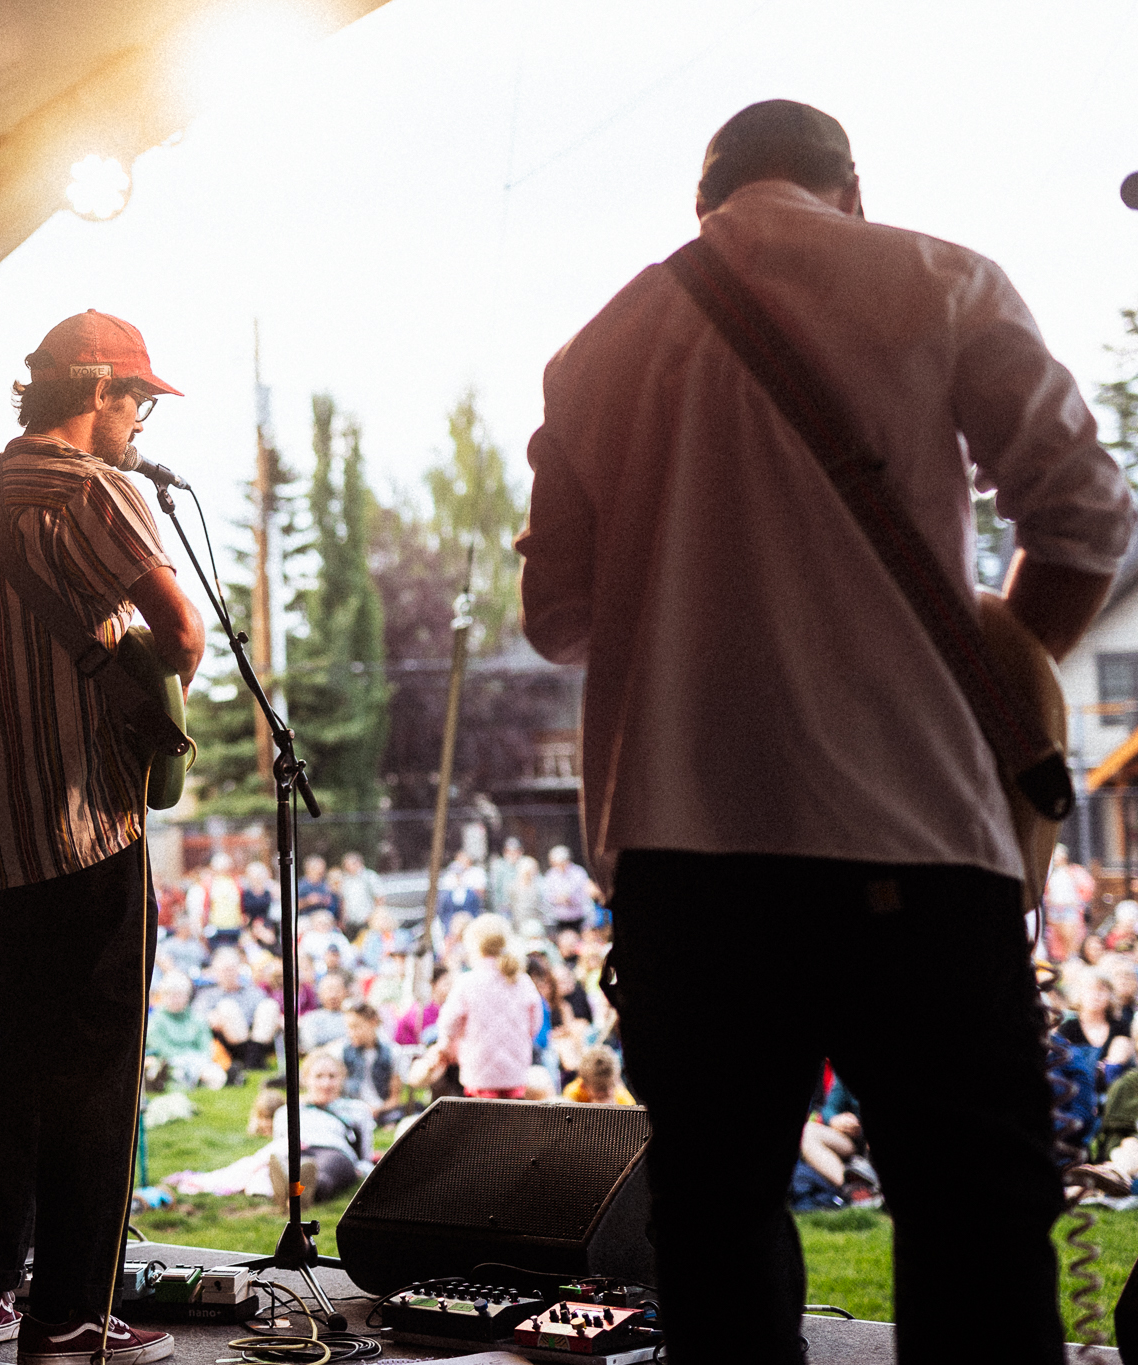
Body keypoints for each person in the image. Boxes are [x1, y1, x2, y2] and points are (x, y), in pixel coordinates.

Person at [517, 100, 1134, 1364]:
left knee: (717, 1228)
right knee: (975, 1224)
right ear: (848, 188)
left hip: (687, 869)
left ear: (702, 207)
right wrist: (992, 674)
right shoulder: (939, 280)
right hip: (913, 847)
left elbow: (557, 619)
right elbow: (1083, 520)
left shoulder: (597, 349)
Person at [0, 310, 202, 1362]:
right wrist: (128, 657)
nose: (142, 423)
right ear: (95, 393)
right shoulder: (90, 490)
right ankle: (72, 1310)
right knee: (93, 1070)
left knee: (3, 1062)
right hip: (79, 824)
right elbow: (179, 633)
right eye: (139, 402)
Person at [436, 915, 542, 1100]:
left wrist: (447, 1046)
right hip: (515, 1073)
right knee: (512, 1122)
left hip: (479, 1073)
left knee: (483, 1124)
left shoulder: (467, 982)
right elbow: (535, 1024)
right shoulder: (522, 981)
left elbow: (449, 1024)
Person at [264, 1052, 374, 1211]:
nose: (326, 1083)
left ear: (342, 1078)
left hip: (335, 1153)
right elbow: (279, 1145)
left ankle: (294, 1194)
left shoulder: (357, 1110)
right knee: (294, 1166)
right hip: (299, 1150)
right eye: (319, 1076)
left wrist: (361, 1170)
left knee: (321, 1174)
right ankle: (294, 1194)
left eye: (332, 1076)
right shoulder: (288, 1111)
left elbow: (365, 1155)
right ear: (306, 1079)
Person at [561, 1045, 635, 1106]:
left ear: (616, 1083)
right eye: (598, 1093)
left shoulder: (624, 1101)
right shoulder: (572, 1096)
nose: (603, 1098)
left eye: (606, 1091)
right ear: (583, 1085)